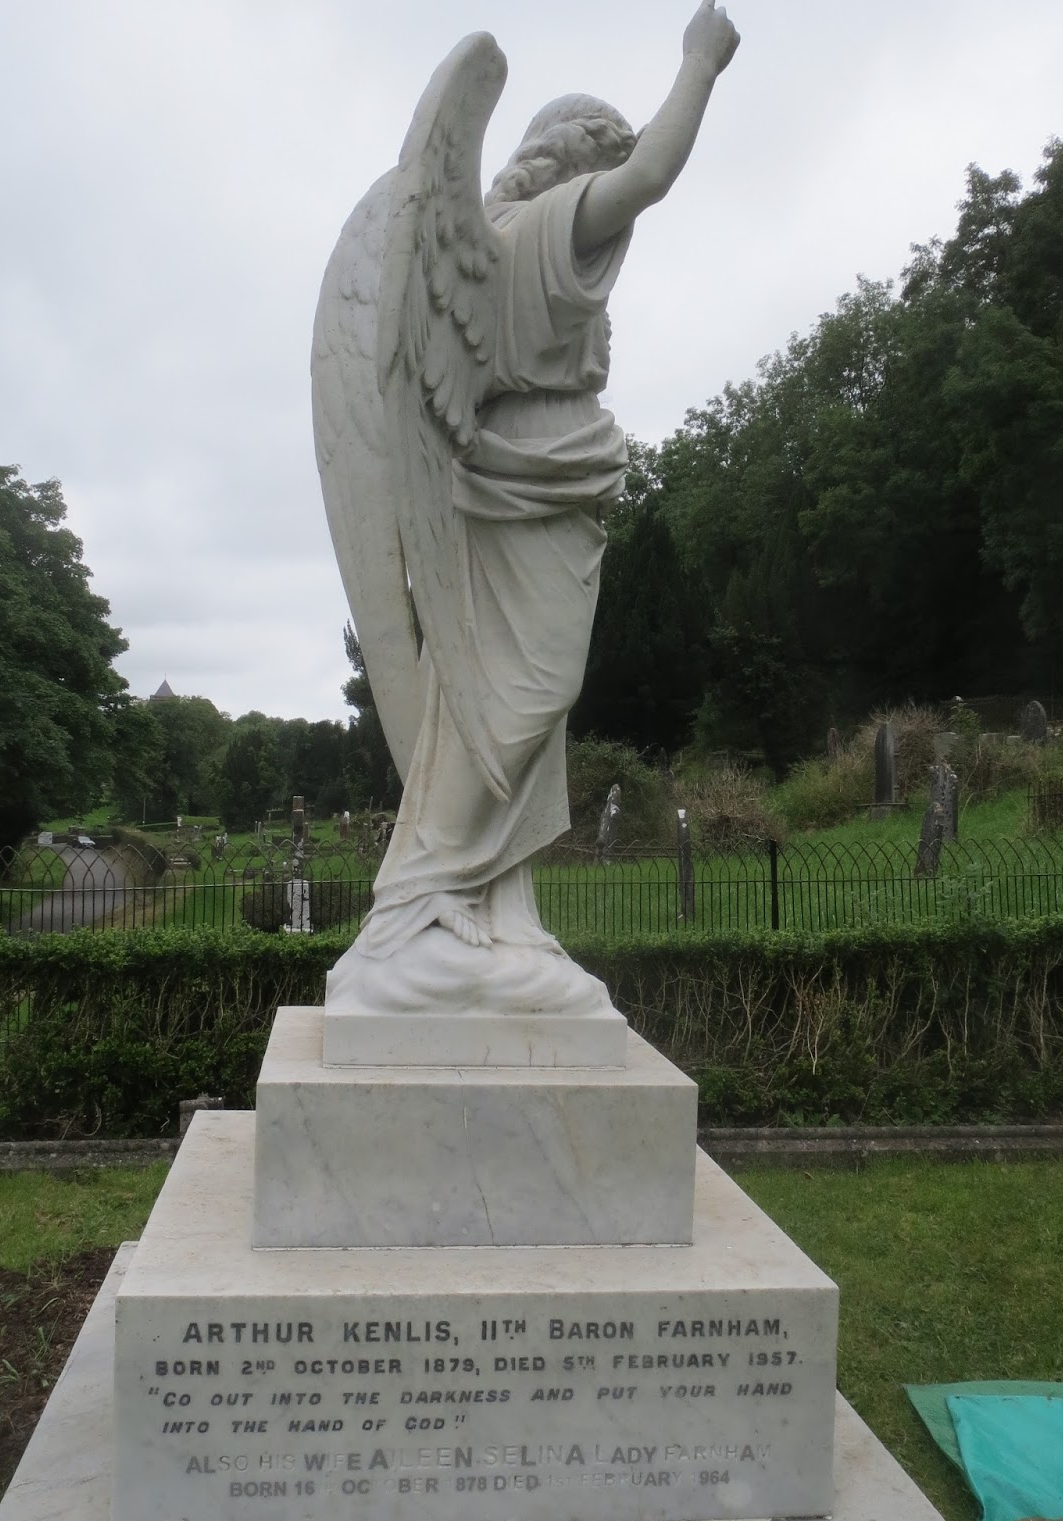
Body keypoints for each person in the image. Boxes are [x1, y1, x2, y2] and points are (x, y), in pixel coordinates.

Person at [321, 4, 739, 1016]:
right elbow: (650, 178)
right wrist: (700, 65)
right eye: (604, 157)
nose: (615, 193)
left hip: (535, 475)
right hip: (532, 470)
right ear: (572, 163)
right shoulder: (544, 227)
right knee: (522, 692)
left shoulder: (497, 236)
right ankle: (421, 901)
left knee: (514, 701)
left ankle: (491, 905)